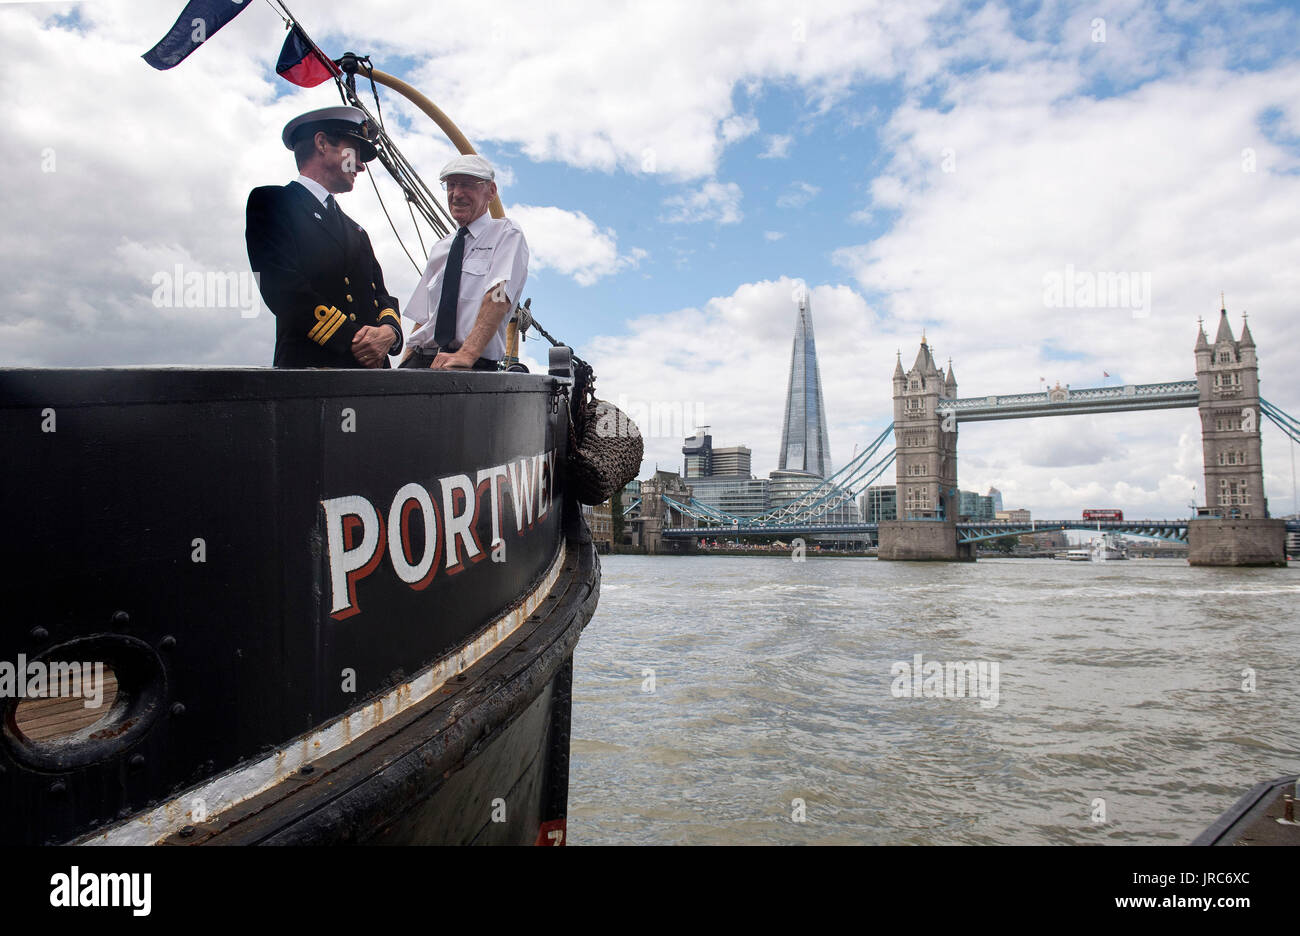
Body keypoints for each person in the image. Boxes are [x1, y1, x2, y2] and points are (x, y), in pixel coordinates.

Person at [246, 105, 402, 368]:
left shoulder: (357, 231)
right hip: (312, 375)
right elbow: (282, 289)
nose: (362, 166)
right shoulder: (272, 202)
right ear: (321, 143)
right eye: (355, 151)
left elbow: (381, 296)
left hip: (373, 380)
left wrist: (389, 332)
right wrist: (360, 342)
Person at [401, 154, 528, 370]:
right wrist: (404, 364)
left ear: (491, 191)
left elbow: (498, 296)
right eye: (451, 185)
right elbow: (423, 318)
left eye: (468, 185)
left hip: (468, 363)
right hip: (421, 360)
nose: (457, 194)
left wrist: (467, 354)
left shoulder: (506, 234)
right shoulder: (442, 247)